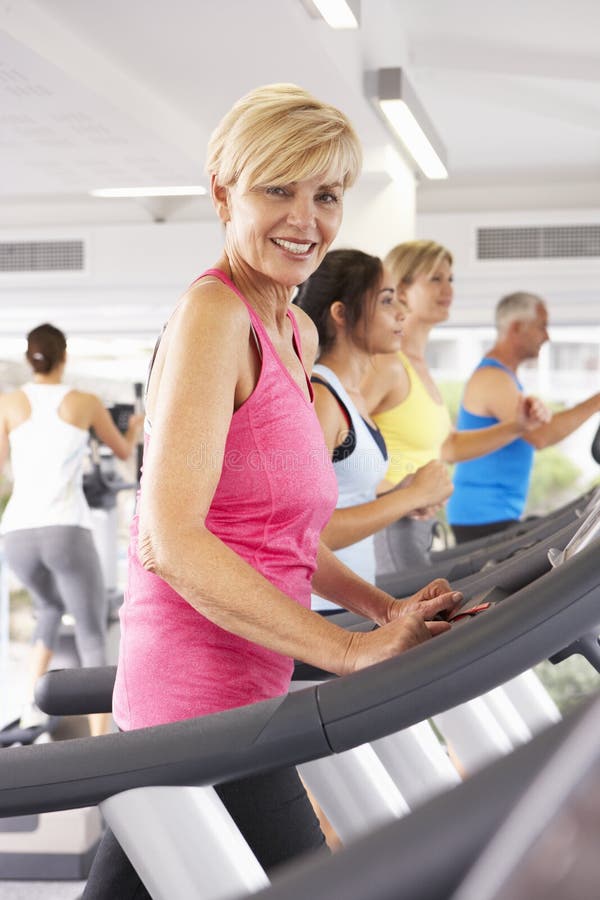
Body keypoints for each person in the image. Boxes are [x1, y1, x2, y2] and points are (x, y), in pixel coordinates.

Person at [83, 85, 462, 899]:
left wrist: (378, 611)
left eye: (325, 195)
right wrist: (346, 652)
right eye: (276, 189)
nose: (305, 218)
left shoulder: (292, 327)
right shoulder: (212, 314)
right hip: (194, 710)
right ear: (223, 192)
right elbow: (171, 539)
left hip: (249, 690)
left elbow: (281, 532)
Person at [362, 240, 549, 576]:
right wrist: (395, 494)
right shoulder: (387, 365)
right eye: (435, 279)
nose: (448, 289)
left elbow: (448, 446)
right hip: (389, 523)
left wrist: (517, 426)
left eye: (451, 279)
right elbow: (333, 450)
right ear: (401, 288)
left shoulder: (418, 367)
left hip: (418, 523)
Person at [0, 323, 142, 737]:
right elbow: (120, 450)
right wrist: (134, 427)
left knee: (47, 609)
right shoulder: (84, 401)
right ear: (65, 356)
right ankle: (100, 741)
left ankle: (30, 711)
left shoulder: (9, 403)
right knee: (90, 629)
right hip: (66, 531)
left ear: (30, 358)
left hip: (18, 534)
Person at [295, 247, 452, 611]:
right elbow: (306, 533)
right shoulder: (322, 398)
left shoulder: (350, 395)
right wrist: (408, 498)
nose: (402, 312)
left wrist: (397, 497)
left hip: (351, 605)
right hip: (323, 612)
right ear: (341, 314)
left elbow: (347, 501)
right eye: (386, 301)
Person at [447, 291, 600, 543]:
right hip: (481, 517)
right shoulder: (493, 378)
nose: (547, 336)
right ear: (517, 327)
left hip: (492, 514)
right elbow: (541, 435)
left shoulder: (506, 377)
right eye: (542, 327)